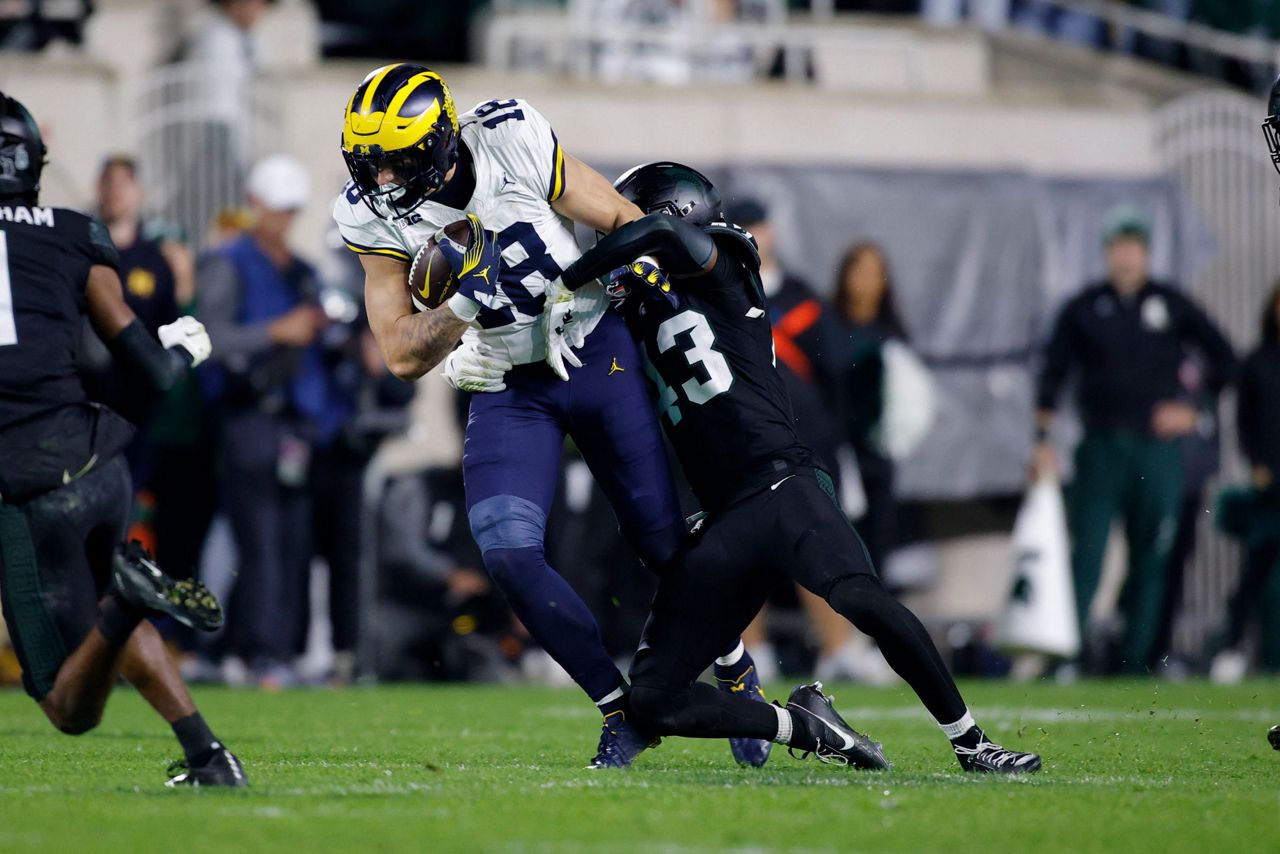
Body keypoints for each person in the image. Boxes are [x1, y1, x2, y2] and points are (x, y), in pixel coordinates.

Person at [545, 161, 1041, 774]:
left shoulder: (727, 260)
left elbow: (667, 242)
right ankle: (801, 726)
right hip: (724, 514)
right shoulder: (637, 298)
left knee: (862, 600)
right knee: (653, 701)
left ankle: (972, 743)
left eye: (626, 218)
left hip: (781, 483)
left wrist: (570, 279)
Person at [332, 64, 762, 768]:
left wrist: (597, 283)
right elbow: (400, 353)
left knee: (659, 543)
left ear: (441, 143)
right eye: (367, 163)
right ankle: (619, 710)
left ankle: (734, 662)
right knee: (505, 550)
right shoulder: (368, 213)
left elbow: (623, 222)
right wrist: (460, 315)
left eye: (397, 161)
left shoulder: (511, 136)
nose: (382, 182)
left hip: (597, 352)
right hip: (507, 382)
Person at [0, 92, 245, 787]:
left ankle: (131, 600)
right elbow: (153, 366)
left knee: (69, 708)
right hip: (98, 460)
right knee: (112, 608)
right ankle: (207, 755)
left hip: (23, 483)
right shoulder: (76, 231)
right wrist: (187, 347)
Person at [1033, 205, 1236, 674]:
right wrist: (1041, 438)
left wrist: (1194, 407)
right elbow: (1052, 375)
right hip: (1102, 445)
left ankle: (1140, 659)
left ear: (1146, 252)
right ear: (1107, 252)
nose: (1126, 256)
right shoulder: (1085, 307)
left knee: (1154, 555)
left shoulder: (1171, 303)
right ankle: (1070, 656)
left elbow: (1225, 359)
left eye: (1134, 247)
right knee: (1087, 553)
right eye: (1118, 246)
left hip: (1156, 450)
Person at [200, 154, 335, 687]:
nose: (284, 221)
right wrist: (276, 332)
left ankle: (282, 648)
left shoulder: (301, 271)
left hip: (295, 427)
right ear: (255, 205)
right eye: (277, 210)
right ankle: (256, 652)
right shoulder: (227, 263)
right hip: (247, 418)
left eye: (291, 211)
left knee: (294, 543)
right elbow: (208, 338)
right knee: (257, 543)